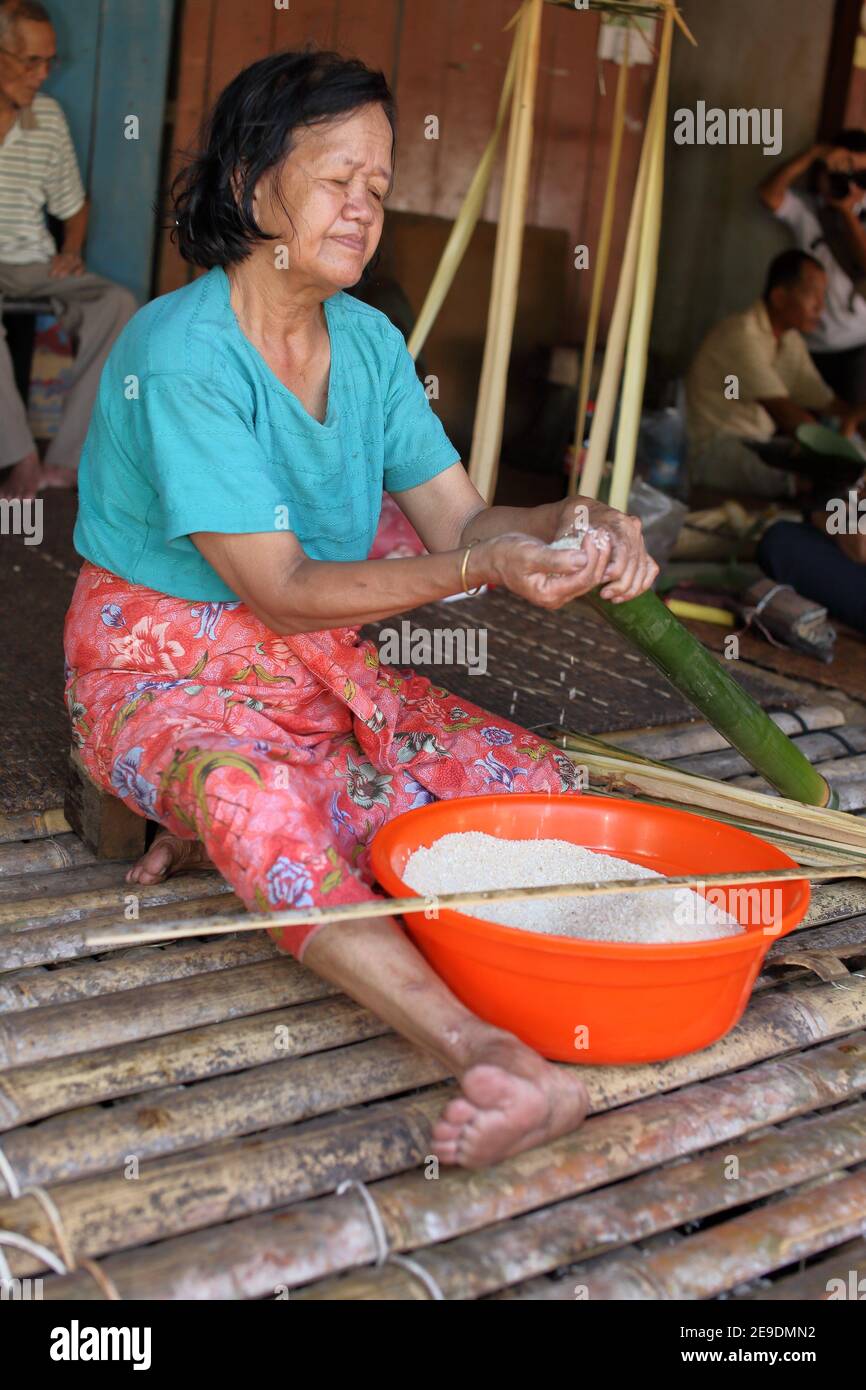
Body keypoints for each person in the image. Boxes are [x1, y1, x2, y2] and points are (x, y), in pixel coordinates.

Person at [64, 50, 658, 1170]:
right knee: (245, 798)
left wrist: (571, 519)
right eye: (338, 176)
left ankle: (592, 971)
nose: (363, 207)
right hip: (162, 676)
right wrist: (485, 571)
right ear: (251, 185)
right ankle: (489, 1054)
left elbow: (461, 525)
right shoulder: (180, 353)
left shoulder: (372, 345)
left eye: (379, 188)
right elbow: (284, 593)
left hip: (313, 669)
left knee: (528, 779)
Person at [0, 0, 136, 499]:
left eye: (48, 61)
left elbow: (73, 205)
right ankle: (21, 459)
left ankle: (65, 460)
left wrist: (71, 249)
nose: (41, 75)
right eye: (28, 61)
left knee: (118, 304)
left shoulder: (49, 118)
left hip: (32, 261)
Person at [685, 250, 866, 498]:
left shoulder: (789, 340)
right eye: (812, 296)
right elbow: (787, 415)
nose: (821, 307)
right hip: (714, 447)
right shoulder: (741, 335)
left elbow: (824, 401)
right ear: (780, 297)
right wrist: (846, 451)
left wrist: (856, 416)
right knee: (810, 485)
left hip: (756, 442)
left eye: (823, 297)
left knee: (822, 468)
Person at [759, 131, 866, 400]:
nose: (853, 184)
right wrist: (814, 154)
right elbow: (769, 194)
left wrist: (847, 212)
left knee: (848, 427)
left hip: (858, 349)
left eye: (863, 178)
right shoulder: (809, 212)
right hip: (810, 346)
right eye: (845, 174)